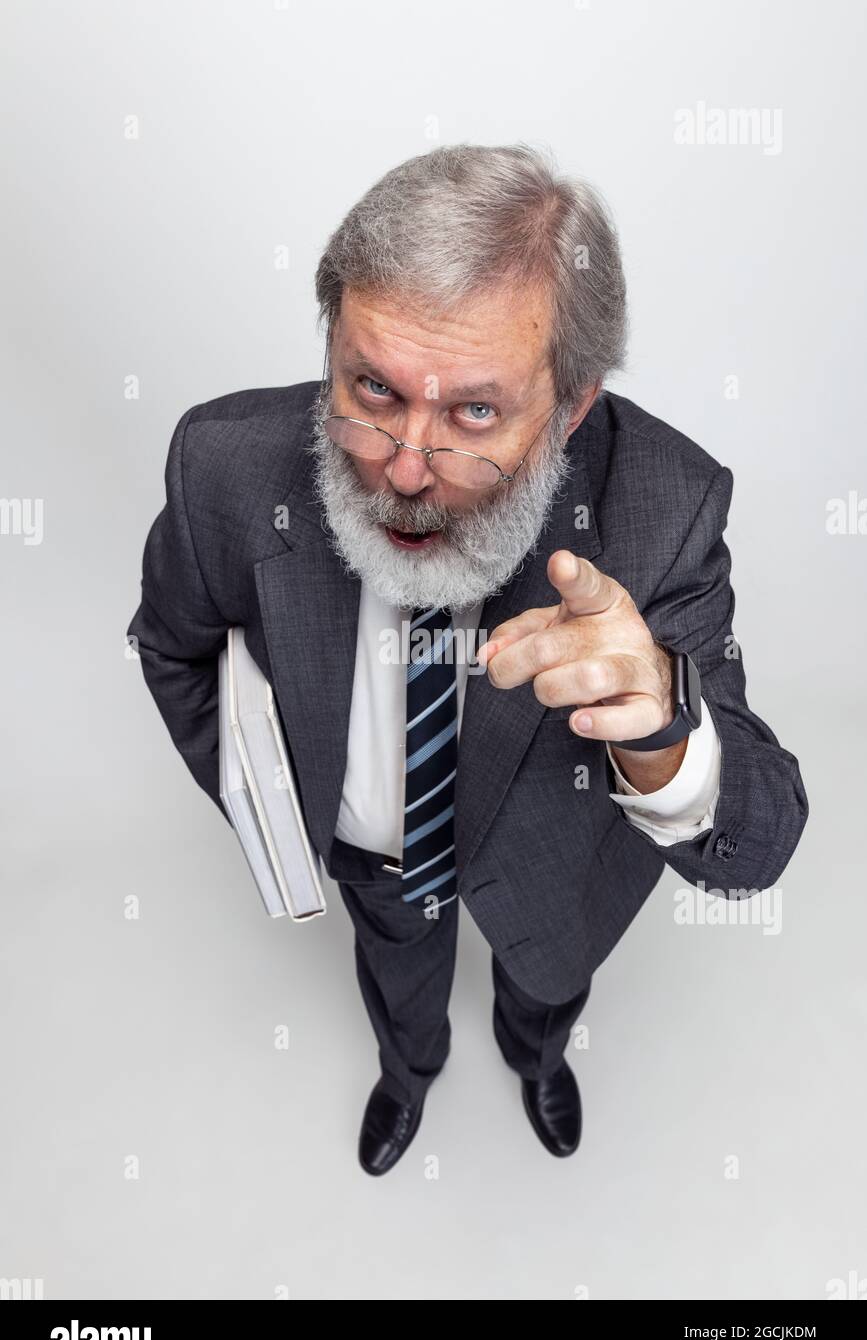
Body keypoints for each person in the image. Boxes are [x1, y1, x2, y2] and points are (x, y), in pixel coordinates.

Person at [127, 143, 807, 1176]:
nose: (405, 469)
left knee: (545, 991)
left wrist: (666, 724)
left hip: (554, 870)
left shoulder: (663, 505)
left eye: (474, 413)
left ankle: (536, 1062)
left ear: (572, 407)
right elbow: (173, 647)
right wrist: (271, 796)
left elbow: (760, 843)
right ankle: (410, 1073)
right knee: (397, 982)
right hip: (374, 864)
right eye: (374, 390)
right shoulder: (222, 465)